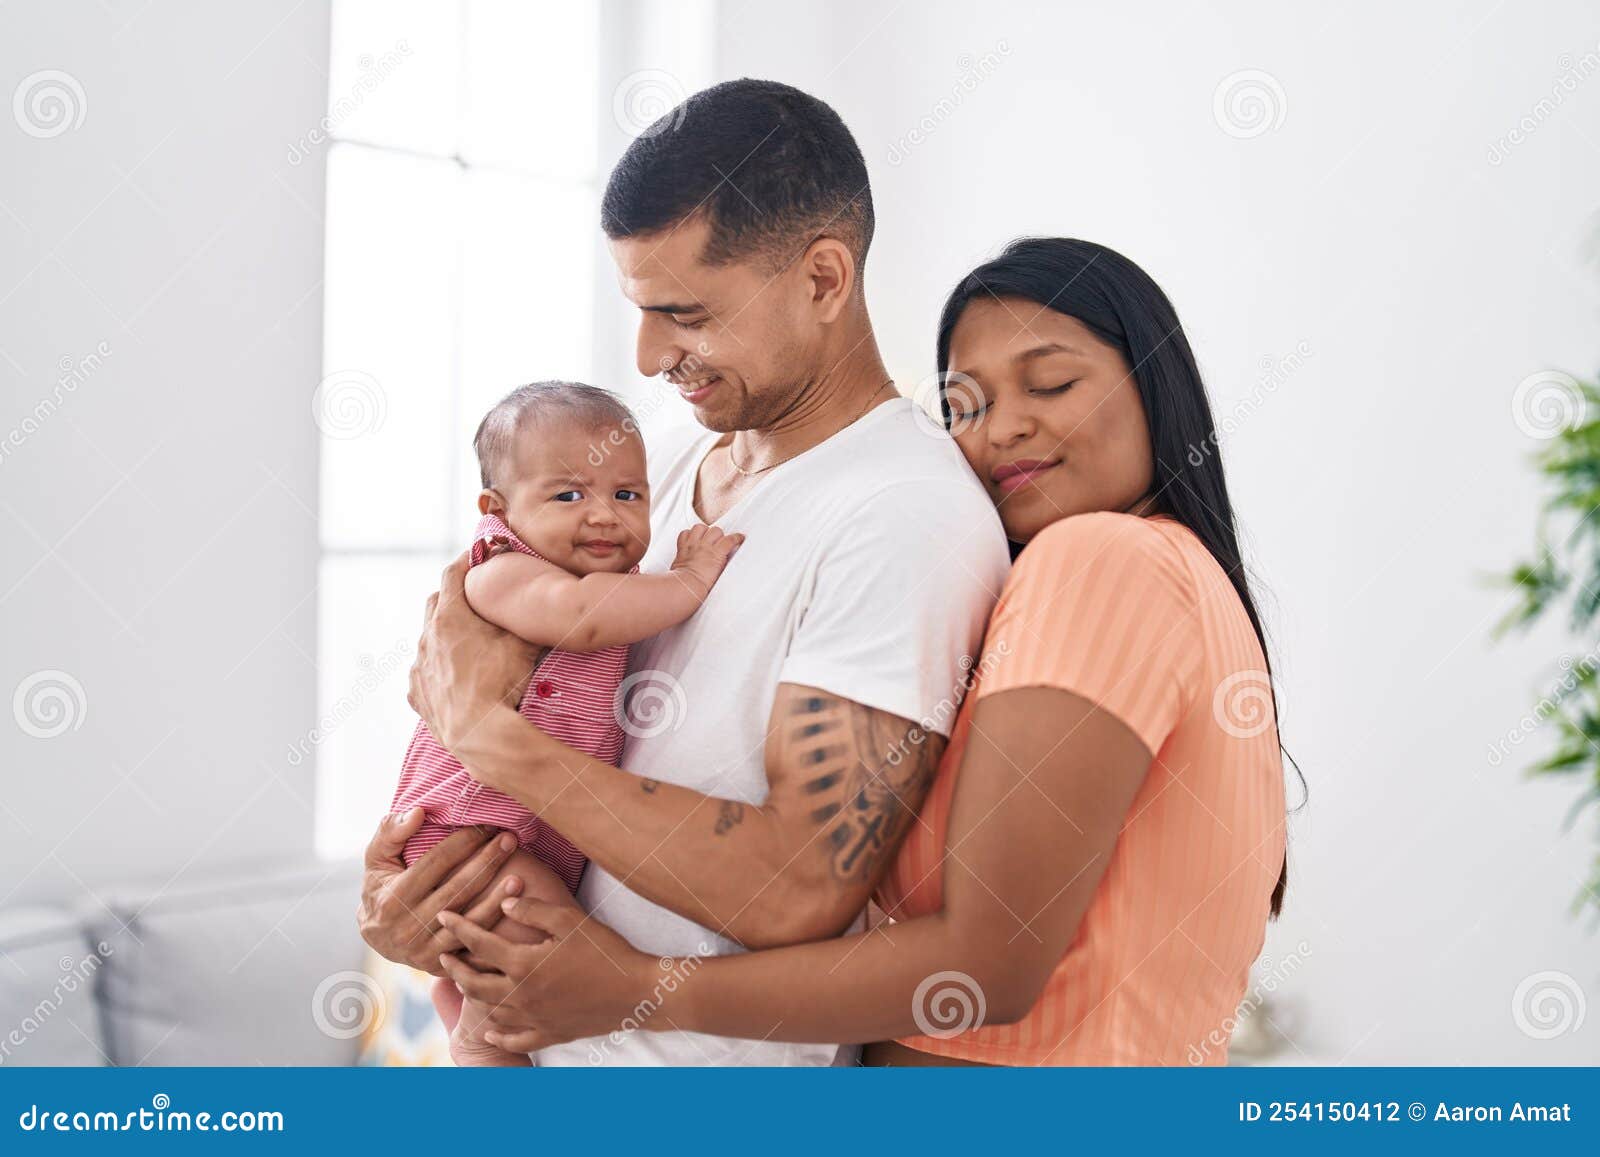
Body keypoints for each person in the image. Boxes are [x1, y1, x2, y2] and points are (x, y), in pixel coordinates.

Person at [432, 238, 1293, 1067]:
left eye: (1052, 383)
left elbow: (985, 966)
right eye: (966, 407)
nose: (1002, 430)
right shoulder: (1134, 579)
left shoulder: (1105, 558)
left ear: (1155, 381)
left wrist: (634, 989)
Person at [358, 80, 1012, 1066]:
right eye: (640, 309)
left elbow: (798, 883)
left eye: (684, 313)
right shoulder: (639, 476)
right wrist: (412, 904)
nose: (648, 353)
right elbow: (466, 673)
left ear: (822, 279)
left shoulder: (904, 512)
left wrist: (487, 737)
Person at [386, 381, 740, 1065]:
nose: (604, 515)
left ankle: (464, 1005)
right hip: (465, 831)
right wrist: (691, 580)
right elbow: (584, 616)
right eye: (569, 495)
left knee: (520, 925)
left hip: (521, 827)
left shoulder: (606, 578)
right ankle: (484, 1054)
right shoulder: (500, 574)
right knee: (542, 927)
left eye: (627, 495)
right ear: (498, 510)